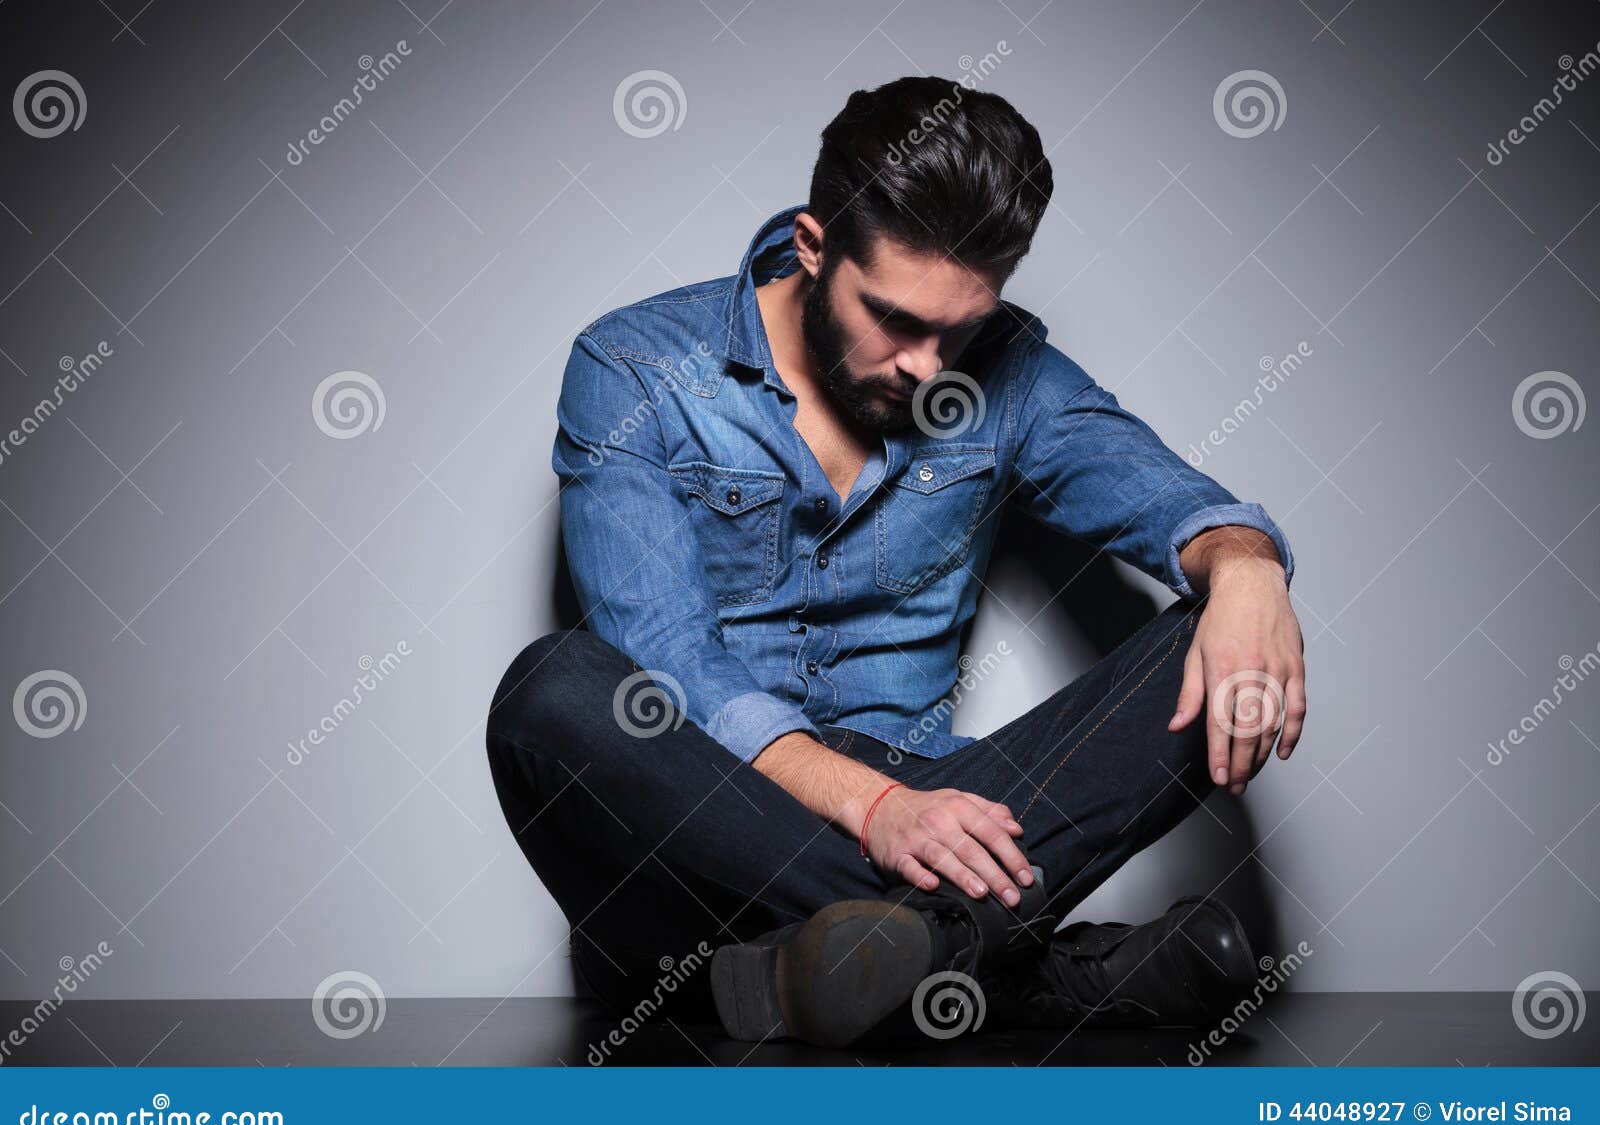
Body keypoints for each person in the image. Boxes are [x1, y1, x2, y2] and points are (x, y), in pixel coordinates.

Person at [487, 76, 1306, 1048]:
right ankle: (1015, 967)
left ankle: (871, 960)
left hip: (936, 819)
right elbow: (662, 652)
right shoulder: (635, 371)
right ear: (811, 247)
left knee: (1218, 640)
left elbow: (1162, 495)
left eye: (957, 327)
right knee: (552, 690)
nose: (928, 363)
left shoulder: (1010, 377)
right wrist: (871, 806)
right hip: (701, 840)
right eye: (895, 319)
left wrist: (1248, 568)